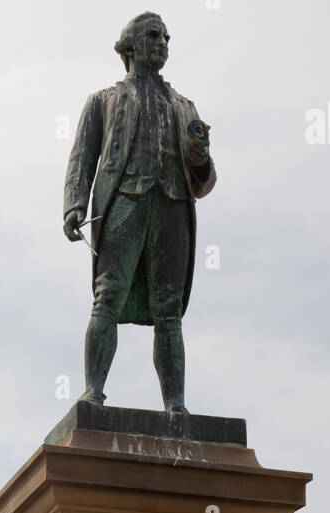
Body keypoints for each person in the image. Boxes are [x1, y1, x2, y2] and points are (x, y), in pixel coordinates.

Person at [63, 12, 216, 412]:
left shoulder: (184, 106)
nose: (163, 42)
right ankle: (93, 391)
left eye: (166, 37)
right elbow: (83, 158)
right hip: (124, 205)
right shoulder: (103, 101)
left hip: (172, 207)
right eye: (153, 35)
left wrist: (200, 156)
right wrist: (75, 205)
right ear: (128, 46)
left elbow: (203, 179)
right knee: (106, 299)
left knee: (170, 313)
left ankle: (176, 406)